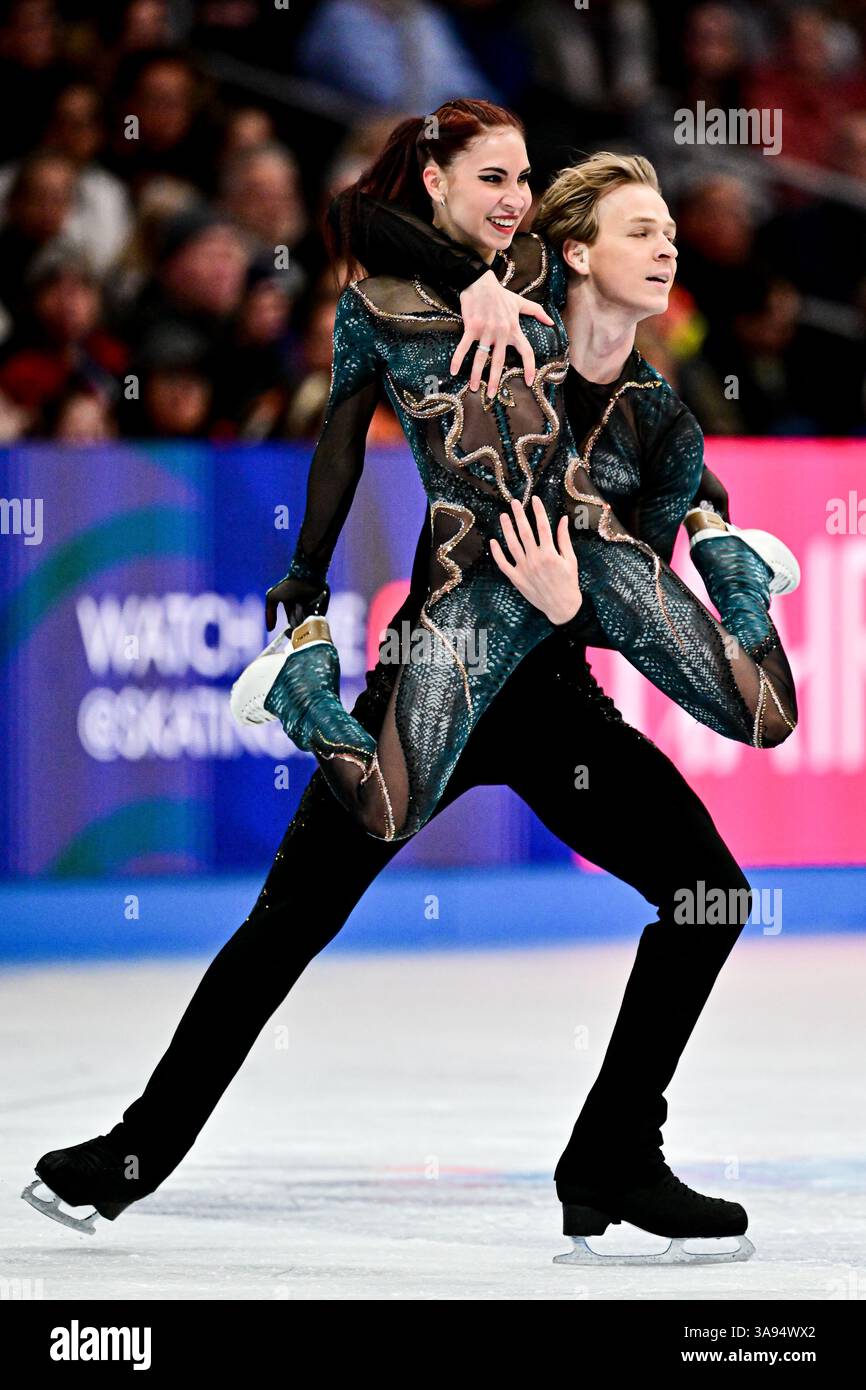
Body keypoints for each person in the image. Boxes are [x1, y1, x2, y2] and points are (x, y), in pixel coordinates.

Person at [22, 137, 799, 1266]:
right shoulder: (491, 310)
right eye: (643, 228)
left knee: (707, 896)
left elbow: (652, 562)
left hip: (548, 703)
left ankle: (612, 1159)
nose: (667, 243)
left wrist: (703, 555)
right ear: (567, 252)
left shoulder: (651, 408)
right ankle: (128, 1157)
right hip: (431, 669)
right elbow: (361, 219)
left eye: (670, 231)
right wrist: (482, 279)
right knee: (291, 923)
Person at [230, 101, 797, 851]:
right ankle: (299, 688)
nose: (516, 198)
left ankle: (734, 563)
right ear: (435, 180)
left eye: (523, 179)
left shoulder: (536, 267)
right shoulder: (371, 311)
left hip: (586, 541)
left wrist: (688, 495)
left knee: (769, 716)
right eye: (494, 177)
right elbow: (341, 444)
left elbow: (614, 365)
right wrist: (307, 573)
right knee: (385, 813)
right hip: (472, 584)